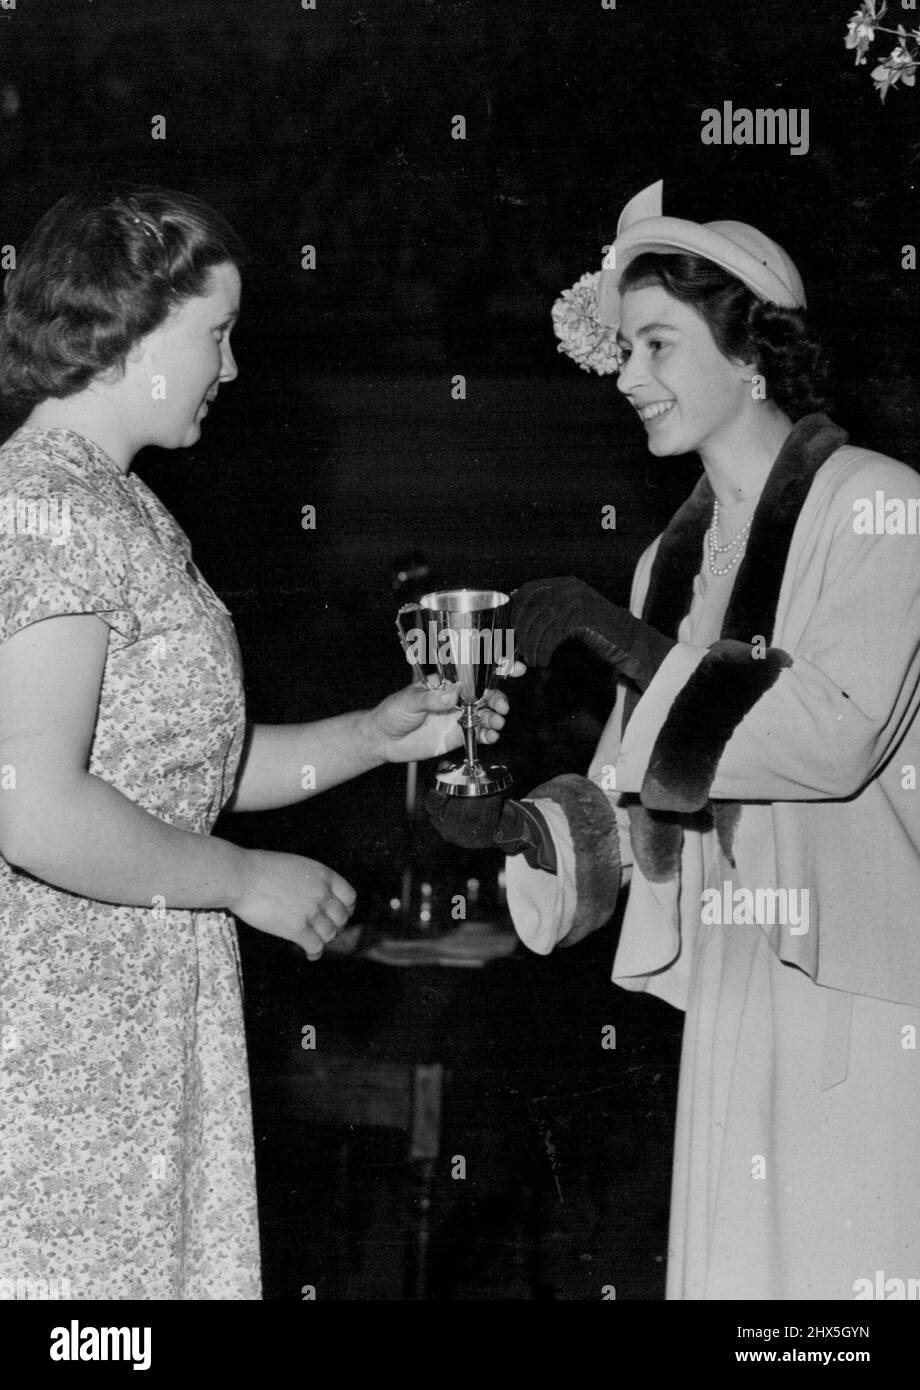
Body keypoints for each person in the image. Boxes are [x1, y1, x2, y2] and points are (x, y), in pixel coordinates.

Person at [0, 185, 515, 1300]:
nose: (231, 370)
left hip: (141, 998)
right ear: (129, 330)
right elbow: (32, 806)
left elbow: (180, 774)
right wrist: (241, 879)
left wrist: (374, 737)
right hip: (65, 1019)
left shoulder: (120, 505)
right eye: (217, 335)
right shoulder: (50, 507)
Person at [427, 180, 920, 1300]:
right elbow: (634, 799)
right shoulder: (670, 560)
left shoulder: (878, 506)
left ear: (751, 352)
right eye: (626, 348)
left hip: (862, 986)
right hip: (739, 989)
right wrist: (510, 826)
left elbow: (830, 735)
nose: (627, 376)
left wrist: (624, 641)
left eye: (657, 344)